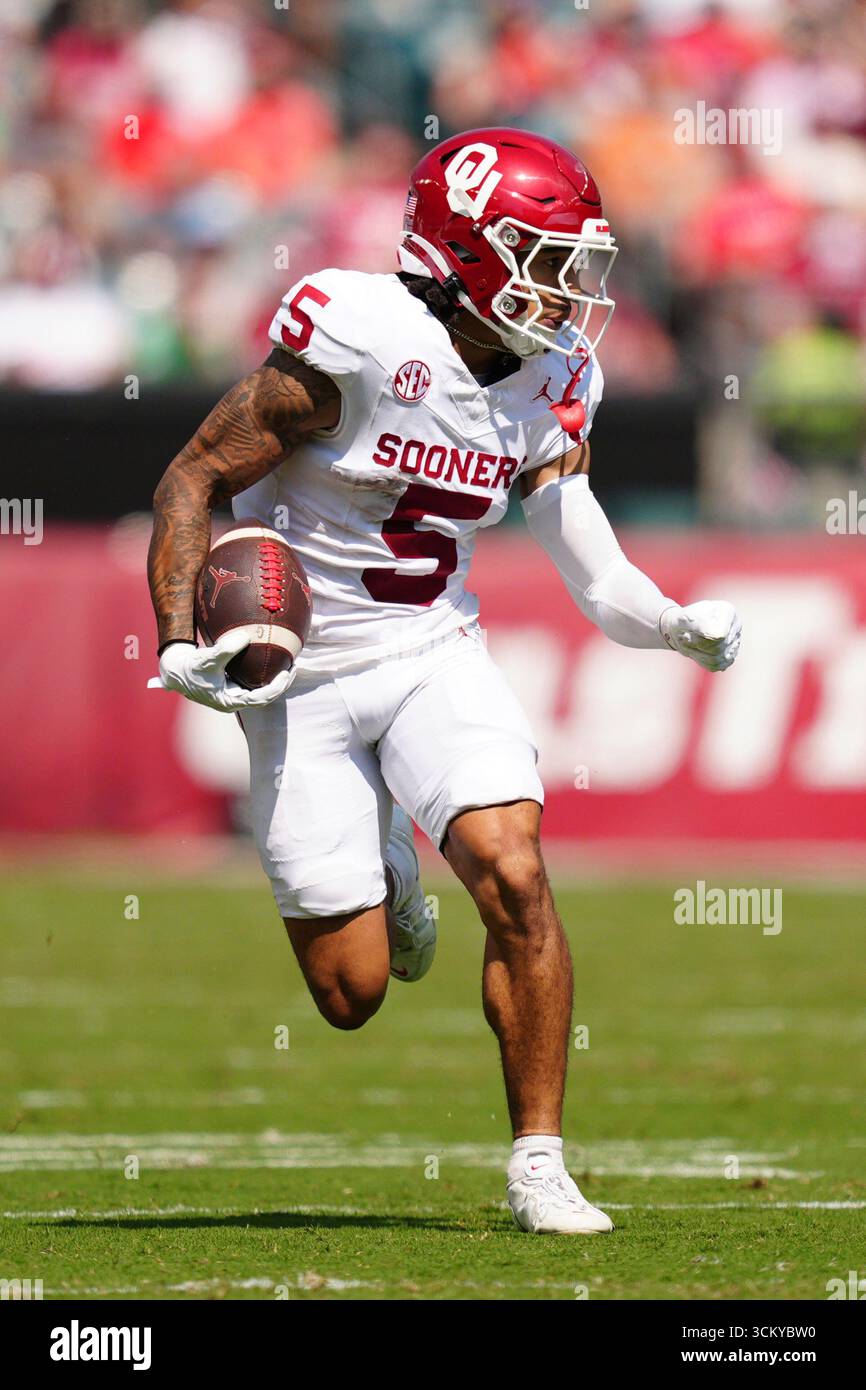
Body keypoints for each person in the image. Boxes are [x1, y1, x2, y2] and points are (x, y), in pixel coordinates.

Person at [147, 127, 742, 1234]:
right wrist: (182, 638)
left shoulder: (556, 373)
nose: (570, 289)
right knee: (350, 993)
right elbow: (194, 475)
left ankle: (537, 1162)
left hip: (429, 647)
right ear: (468, 252)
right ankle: (385, 862)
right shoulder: (361, 337)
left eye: (577, 261)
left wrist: (665, 620)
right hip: (301, 667)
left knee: (513, 871)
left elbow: (588, 561)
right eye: (545, 256)